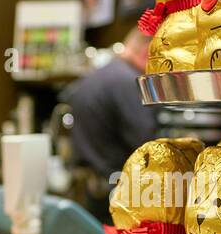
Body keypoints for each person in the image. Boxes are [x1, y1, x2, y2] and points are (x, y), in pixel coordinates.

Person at [60, 27, 158, 219]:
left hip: (88, 188)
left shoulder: (100, 75)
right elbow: (146, 143)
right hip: (111, 193)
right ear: (148, 52)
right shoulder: (127, 80)